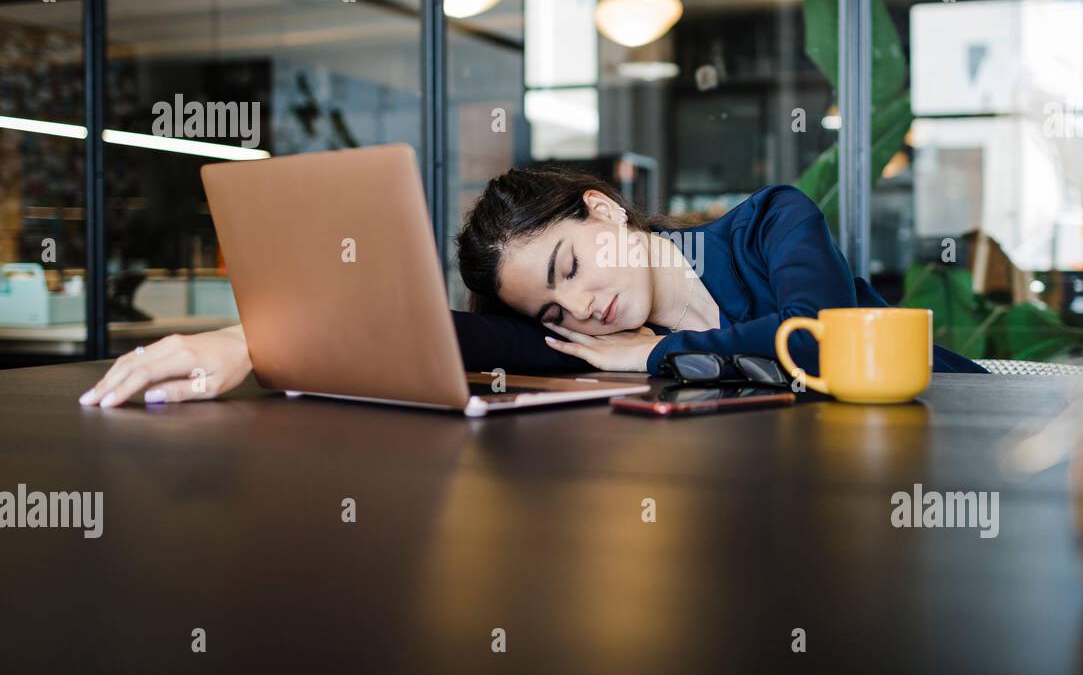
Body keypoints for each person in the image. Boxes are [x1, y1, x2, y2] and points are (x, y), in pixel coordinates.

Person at [80, 166, 983, 408]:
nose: (578, 307)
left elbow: (815, 340)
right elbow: (433, 333)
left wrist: (661, 354)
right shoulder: (589, 345)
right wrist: (242, 341)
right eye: (551, 309)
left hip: (959, 417)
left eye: (570, 266)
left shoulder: (772, 221)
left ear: (605, 212)